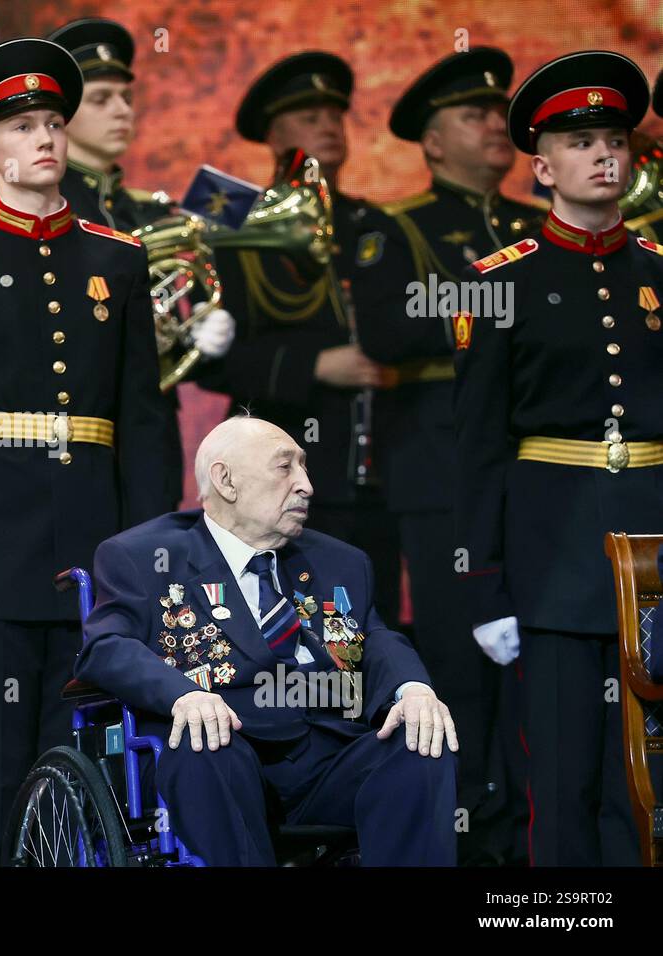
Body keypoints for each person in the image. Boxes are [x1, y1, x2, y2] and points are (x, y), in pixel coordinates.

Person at [0, 37, 167, 864]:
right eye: (21, 127)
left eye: (54, 121)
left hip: (95, 542)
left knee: (100, 749)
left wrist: (155, 554)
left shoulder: (118, 261)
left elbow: (145, 424)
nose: (45, 138)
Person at [76, 415, 458, 865]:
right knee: (207, 747)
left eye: (305, 467)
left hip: (324, 756)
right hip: (221, 753)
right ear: (226, 480)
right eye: (285, 468)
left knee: (421, 741)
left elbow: (373, 639)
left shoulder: (340, 561)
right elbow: (106, 646)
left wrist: (413, 690)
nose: (306, 485)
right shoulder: (143, 556)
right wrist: (184, 696)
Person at [452, 50, 663, 865]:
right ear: (541, 166)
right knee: (561, 782)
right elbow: (477, 450)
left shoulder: (656, 276)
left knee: (647, 782)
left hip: (654, 554)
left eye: (614, 138)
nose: (604, 154)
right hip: (553, 567)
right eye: (580, 143)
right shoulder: (493, 284)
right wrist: (486, 588)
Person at [350, 47, 545, 864]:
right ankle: (463, 826)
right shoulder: (395, 228)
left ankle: (531, 829)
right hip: (437, 467)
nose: (496, 126)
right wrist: (515, 305)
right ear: (430, 142)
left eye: (501, 113)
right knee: (460, 657)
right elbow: (391, 328)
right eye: (474, 115)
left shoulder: (542, 226)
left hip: (535, 466)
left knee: (539, 661)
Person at [0, 19, 234, 509]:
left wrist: (207, 336)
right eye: (101, 99)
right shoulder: (29, 202)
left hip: (150, 441)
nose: (122, 111)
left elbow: (206, 363)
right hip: (64, 446)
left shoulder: (153, 212)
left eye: (126, 98)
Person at [198, 51, 402, 625]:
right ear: (272, 133)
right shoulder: (230, 219)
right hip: (280, 472)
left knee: (370, 630)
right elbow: (206, 360)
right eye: (308, 116)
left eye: (335, 115)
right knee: (284, 634)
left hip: (381, 465)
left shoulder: (374, 223)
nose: (329, 126)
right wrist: (311, 365)